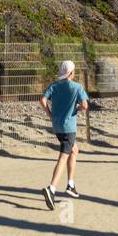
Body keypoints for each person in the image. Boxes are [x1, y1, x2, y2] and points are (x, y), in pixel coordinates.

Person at [40, 60, 89, 209]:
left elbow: (42, 100)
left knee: (74, 150)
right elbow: (85, 106)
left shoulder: (54, 86)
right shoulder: (77, 87)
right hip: (69, 128)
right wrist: (76, 109)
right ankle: (52, 188)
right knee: (63, 156)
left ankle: (70, 184)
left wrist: (50, 114)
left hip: (57, 126)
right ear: (71, 73)